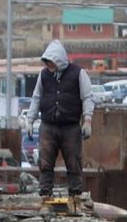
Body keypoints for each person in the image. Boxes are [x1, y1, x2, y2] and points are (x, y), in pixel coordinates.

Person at [25, 39, 93, 204]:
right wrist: (30, 120)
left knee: (74, 163)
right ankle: (45, 196)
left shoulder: (79, 74)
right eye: (47, 62)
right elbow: (36, 97)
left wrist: (87, 120)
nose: (49, 65)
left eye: (51, 61)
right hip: (48, 126)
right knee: (45, 163)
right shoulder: (44, 75)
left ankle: (75, 198)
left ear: (59, 60)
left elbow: (87, 97)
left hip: (71, 127)